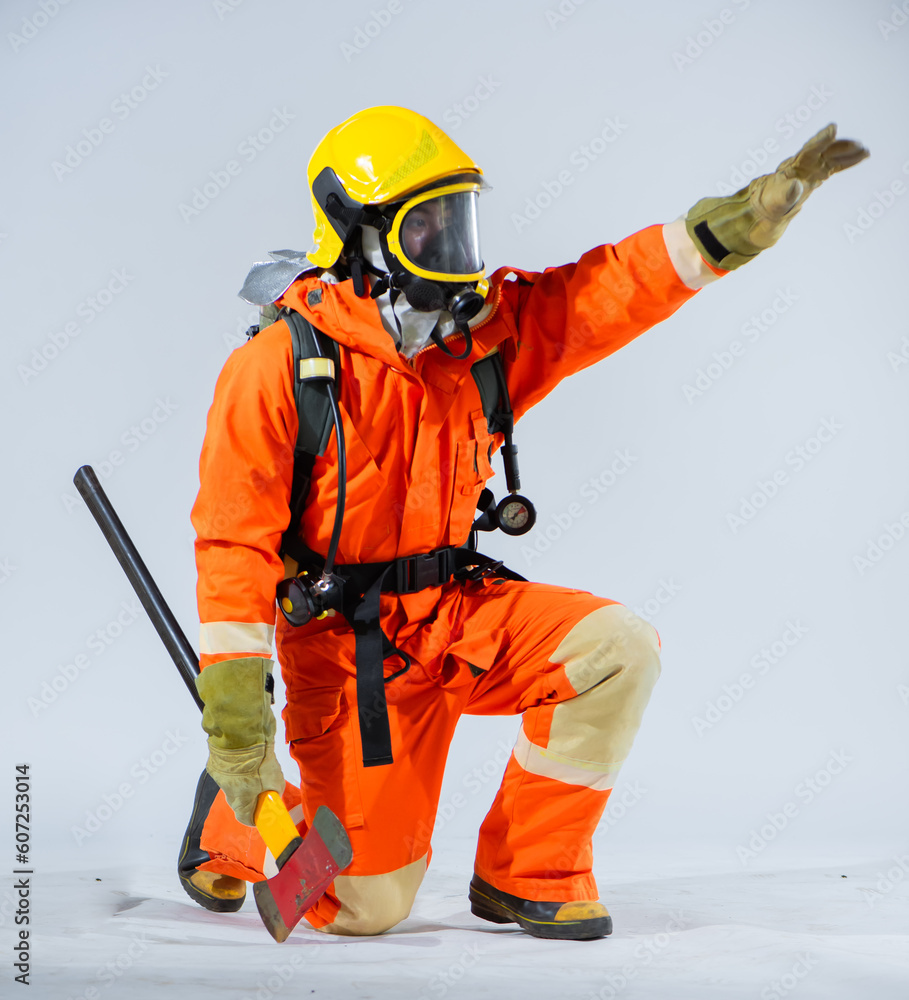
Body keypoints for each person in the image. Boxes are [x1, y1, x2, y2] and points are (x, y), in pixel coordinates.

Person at [177, 106, 868, 939]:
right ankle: (232, 817)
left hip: (457, 612)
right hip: (350, 651)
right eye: (423, 226)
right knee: (363, 907)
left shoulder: (481, 340)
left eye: (457, 220)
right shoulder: (277, 368)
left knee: (617, 649)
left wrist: (730, 227)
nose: (449, 244)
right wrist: (238, 728)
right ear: (361, 237)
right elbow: (233, 548)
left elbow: (603, 294)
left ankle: (528, 872)